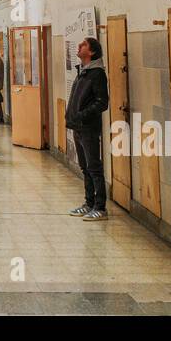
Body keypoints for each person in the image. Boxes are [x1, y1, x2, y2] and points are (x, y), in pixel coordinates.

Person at [66, 37, 110, 219]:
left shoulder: (97, 73)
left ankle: (100, 207)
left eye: (83, 44)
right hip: (78, 126)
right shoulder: (83, 72)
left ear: (91, 52)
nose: (79, 46)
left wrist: (82, 115)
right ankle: (89, 202)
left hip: (88, 127)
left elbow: (102, 102)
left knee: (94, 167)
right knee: (85, 166)